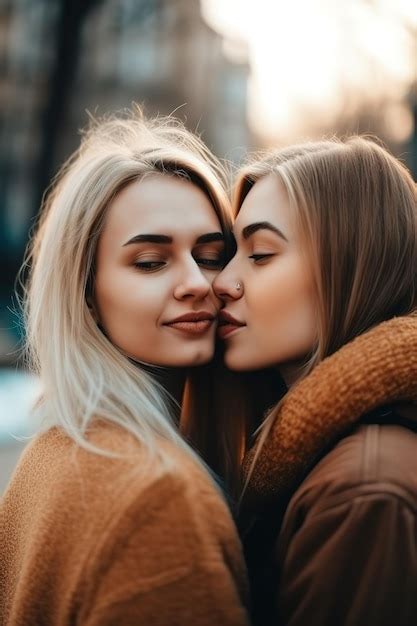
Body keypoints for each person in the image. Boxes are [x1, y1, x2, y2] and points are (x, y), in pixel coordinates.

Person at [0, 110, 250, 626]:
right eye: (151, 261)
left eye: (210, 254)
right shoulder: (158, 497)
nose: (196, 283)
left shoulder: (58, 444)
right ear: (85, 292)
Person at [213, 136, 417, 626]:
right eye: (229, 253)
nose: (222, 281)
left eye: (260, 254)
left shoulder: (366, 494)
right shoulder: (323, 458)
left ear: (354, 265)